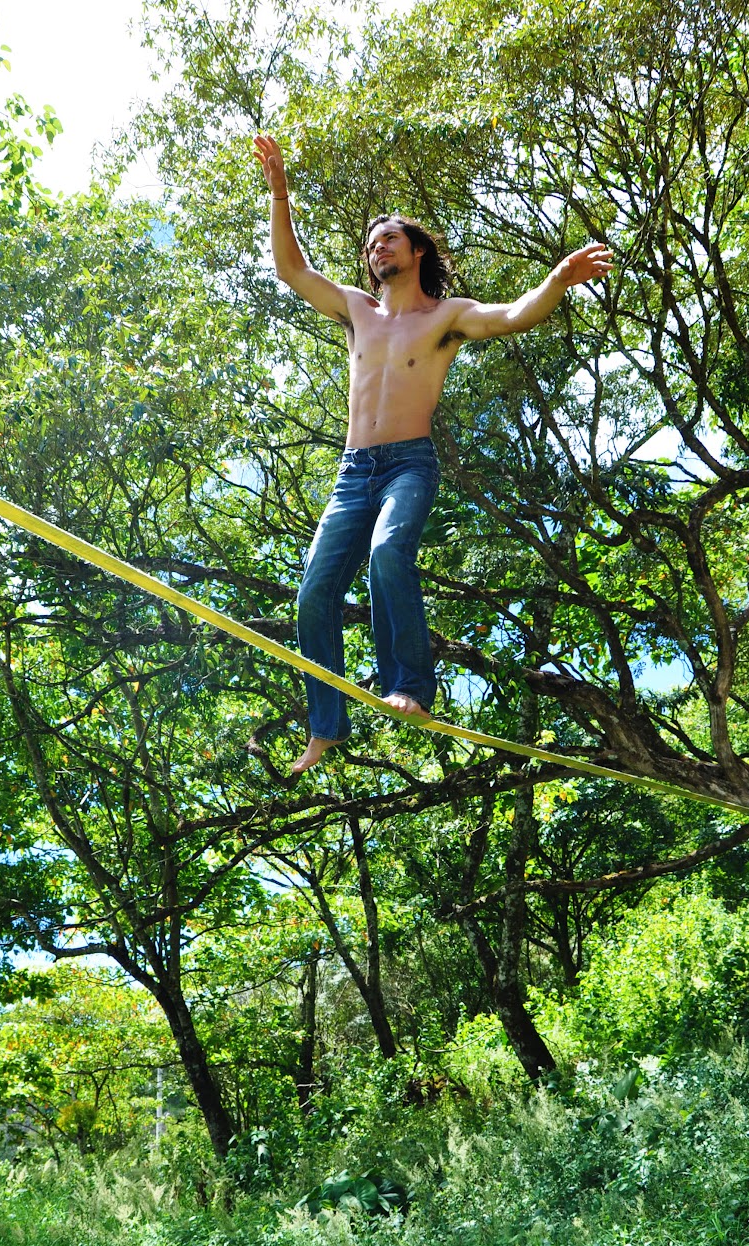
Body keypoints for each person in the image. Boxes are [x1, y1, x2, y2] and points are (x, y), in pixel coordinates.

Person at [252, 134, 613, 776]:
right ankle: (326, 726)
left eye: (387, 239)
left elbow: (516, 315)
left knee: (388, 553)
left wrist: (558, 279)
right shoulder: (358, 310)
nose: (375, 250)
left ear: (416, 249)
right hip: (352, 471)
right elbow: (291, 269)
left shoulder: (448, 315)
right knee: (313, 593)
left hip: (408, 465)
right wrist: (280, 192)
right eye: (369, 247)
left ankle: (410, 686)